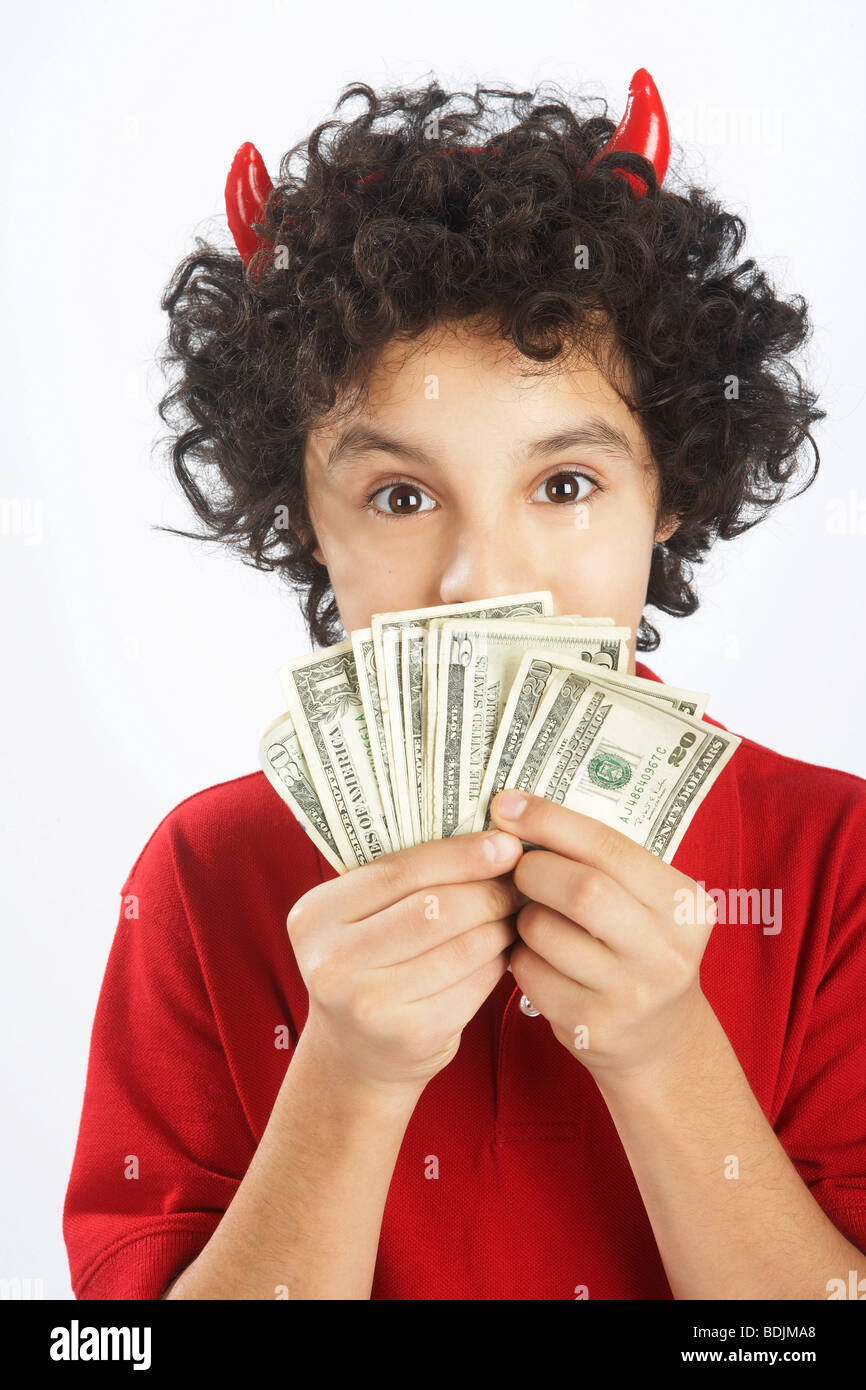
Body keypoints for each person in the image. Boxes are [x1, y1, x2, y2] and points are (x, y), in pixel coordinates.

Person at [63, 69, 866, 1300]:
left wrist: (660, 1055)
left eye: (562, 485)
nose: (479, 576)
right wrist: (346, 1076)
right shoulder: (200, 873)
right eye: (398, 495)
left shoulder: (834, 863)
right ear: (304, 522)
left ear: (668, 494)